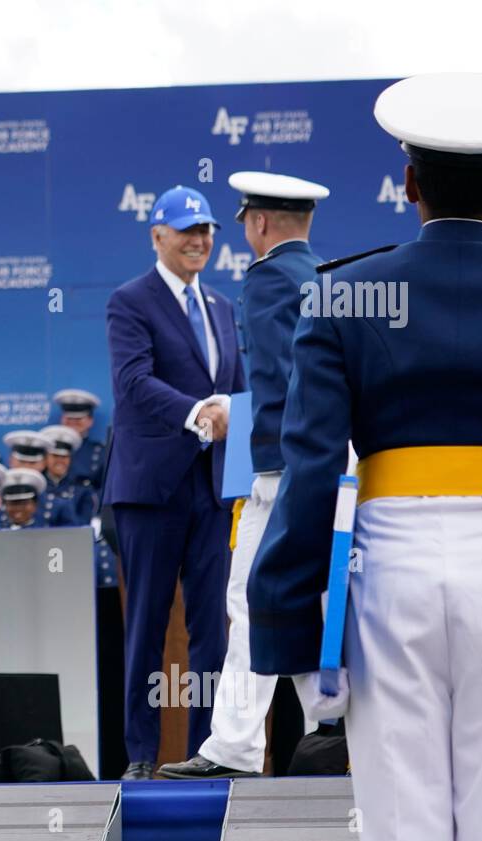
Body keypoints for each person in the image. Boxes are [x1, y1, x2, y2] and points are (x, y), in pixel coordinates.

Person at [248, 73, 482, 841]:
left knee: (401, 828)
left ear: (409, 183)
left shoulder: (344, 293)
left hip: (389, 568)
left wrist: (281, 606)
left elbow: (310, 464)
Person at [159, 171, 328, 780]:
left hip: (283, 474)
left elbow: (288, 384)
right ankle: (331, 735)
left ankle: (237, 748)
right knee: (309, 606)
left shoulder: (267, 281)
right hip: (322, 470)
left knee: (252, 604)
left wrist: (244, 419)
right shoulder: (326, 278)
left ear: (257, 223)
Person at [104, 185, 245, 781]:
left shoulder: (222, 307)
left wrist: (231, 417)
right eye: (186, 230)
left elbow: (236, 388)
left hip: (212, 489)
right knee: (148, 625)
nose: (199, 240)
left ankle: (208, 749)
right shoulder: (129, 301)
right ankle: (140, 753)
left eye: (207, 230)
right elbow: (132, 382)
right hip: (151, 491)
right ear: (156, 236)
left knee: (211, 626)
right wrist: (198, 414)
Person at [39, 424, 96, 526]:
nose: (60, 461)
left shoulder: (82, 487)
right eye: (55, 456)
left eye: (64, 457)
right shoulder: (38, 486)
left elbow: (84, 523)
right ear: (45, 457)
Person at [53, 388, 105, 488]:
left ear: (90, 421)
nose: (73, 422)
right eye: (69, 418)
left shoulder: (100, 451)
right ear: (62, 419)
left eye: (78, 418)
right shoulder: (50, 449)